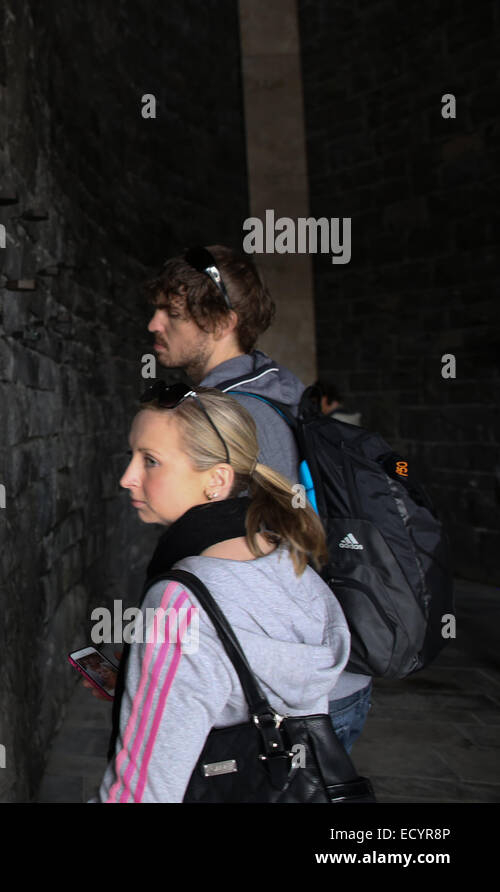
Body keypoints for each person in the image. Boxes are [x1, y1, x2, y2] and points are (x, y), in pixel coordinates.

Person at [140, 245, 372, 750]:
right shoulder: (275, 390)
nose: (155, 324)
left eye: (173, 314)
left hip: (291, 697)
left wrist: (171, 671)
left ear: (224, 320)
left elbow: (244, 572)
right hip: (312, 679)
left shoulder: (236, 416)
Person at [95, 385, 350, 802]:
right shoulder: (290, 561)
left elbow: (141, 795)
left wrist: (163, 658)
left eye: (151, 461)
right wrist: (147, 674)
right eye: (132, 456)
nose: (127, 478)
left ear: (217, 480)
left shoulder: (181, 602)